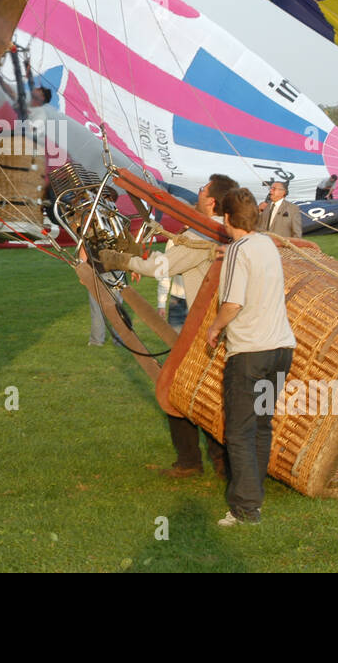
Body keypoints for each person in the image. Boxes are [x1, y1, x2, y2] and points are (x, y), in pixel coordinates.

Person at [99, 175, 237, 478]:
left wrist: (120, 261)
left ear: (211, 201)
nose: (198, 193)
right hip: (225, 326)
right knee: (210, 392)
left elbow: (162, 267)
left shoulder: (205, 234)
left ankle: (193, 461)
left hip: (206, 331)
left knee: (175, 388)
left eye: (202, 190)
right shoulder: (226, 231)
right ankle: (218, 461)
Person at [206, 188, 296, 527]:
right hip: (281, 351)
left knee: (240, 431)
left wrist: (215, 328)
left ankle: (245, 509)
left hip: (250, 354)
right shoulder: (267, 244)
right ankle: (253, 495)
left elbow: (232, 304)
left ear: (227, 218)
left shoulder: (237, 251)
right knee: (261, 425)